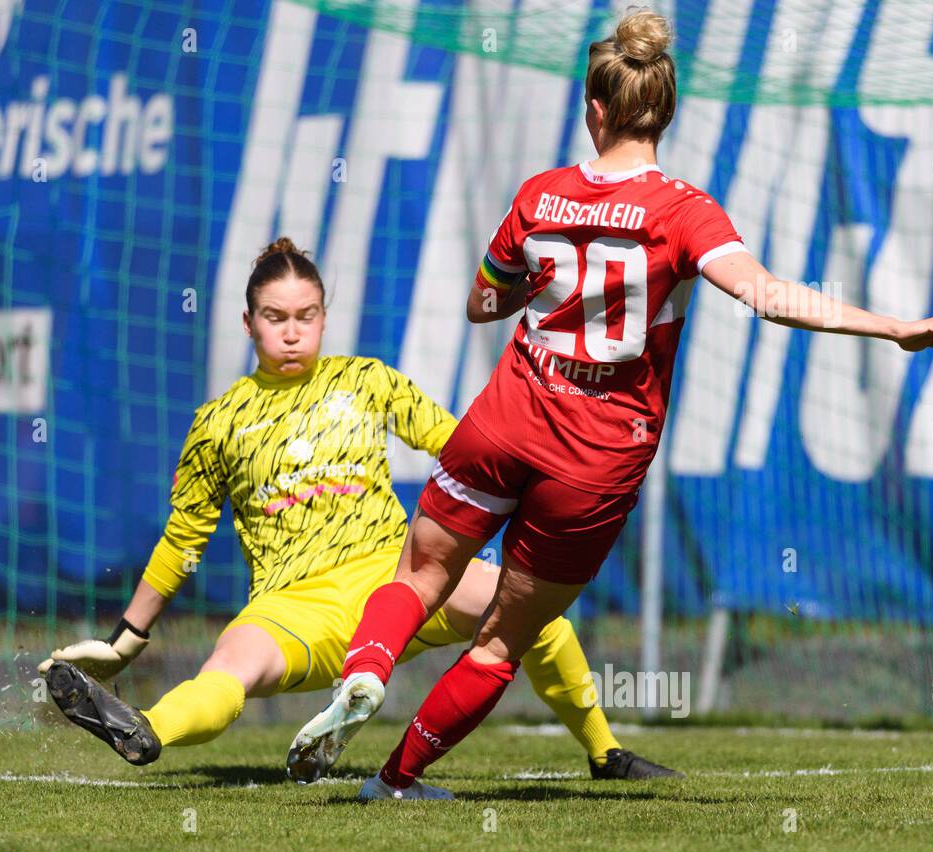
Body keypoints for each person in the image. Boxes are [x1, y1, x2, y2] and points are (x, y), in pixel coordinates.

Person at [291, 7, 933, 802]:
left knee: (418, 576)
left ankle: (367, 673)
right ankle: (396, 780)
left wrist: (529, 287)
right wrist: (893, 325)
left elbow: (484, 303)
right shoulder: (684, 211)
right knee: (502, 641)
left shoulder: (541, 195)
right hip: (596, 454)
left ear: (594, 109)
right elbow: (767, 297)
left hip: (507, 413)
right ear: (668, 109)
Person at [39, 237, 678, 781]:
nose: (292, 330)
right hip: (293, 605)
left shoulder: (365, 381)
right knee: (227, 670)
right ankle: (144, 731)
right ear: (247, 322)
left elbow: (461, 444)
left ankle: (606, 753)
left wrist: (548, 469)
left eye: (306, 314)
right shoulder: (218, 422)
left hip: (398, 580)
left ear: (324, 315)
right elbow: (183, 541)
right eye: (274, 316)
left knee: (530, 611)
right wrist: (126, 642)